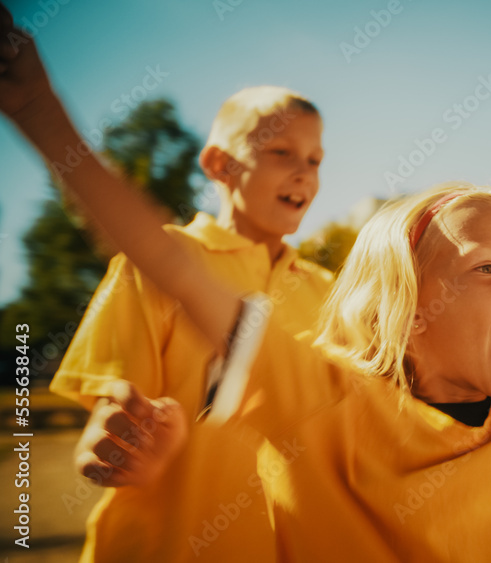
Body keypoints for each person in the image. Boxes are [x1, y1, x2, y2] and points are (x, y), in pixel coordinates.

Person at [0, 10, 491, 560]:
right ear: (408, 308)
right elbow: (173, 269)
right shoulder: (328, 401)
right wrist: (42, 116)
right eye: (488, 267)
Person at [46, 84, 332, 562]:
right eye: (282, 152)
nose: (304, 173)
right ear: (220, 165)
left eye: (316, 160)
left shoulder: (332, 293)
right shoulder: (155, 261)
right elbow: (113, 416)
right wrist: (111, 451)